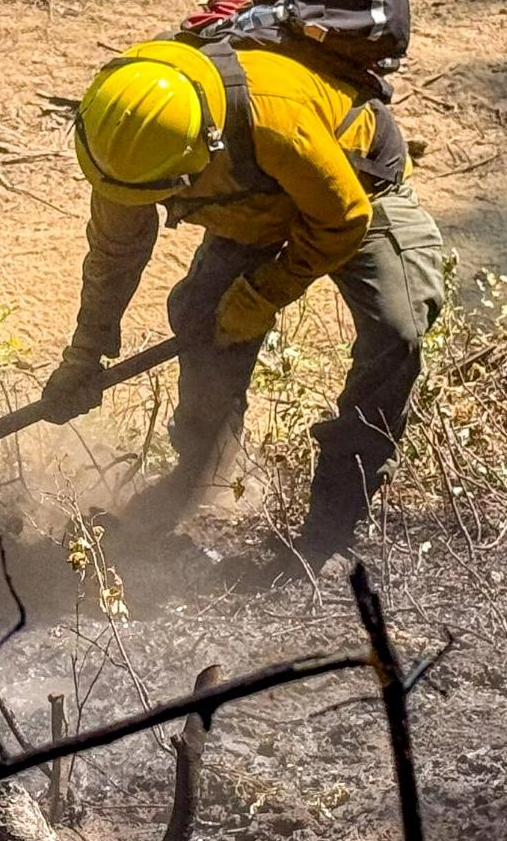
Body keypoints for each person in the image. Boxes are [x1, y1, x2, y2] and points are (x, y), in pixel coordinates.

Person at [38, 37, 444, 572]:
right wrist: (85, 354)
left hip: (360, 189)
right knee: (201, 320)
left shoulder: (277, 123)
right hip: (257, 204)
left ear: (199, 155)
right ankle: (201, 480)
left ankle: (332, 526)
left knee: (397, 331)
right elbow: (115, 253)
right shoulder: (126, 144)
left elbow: (342, 220)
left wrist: (263, 293)